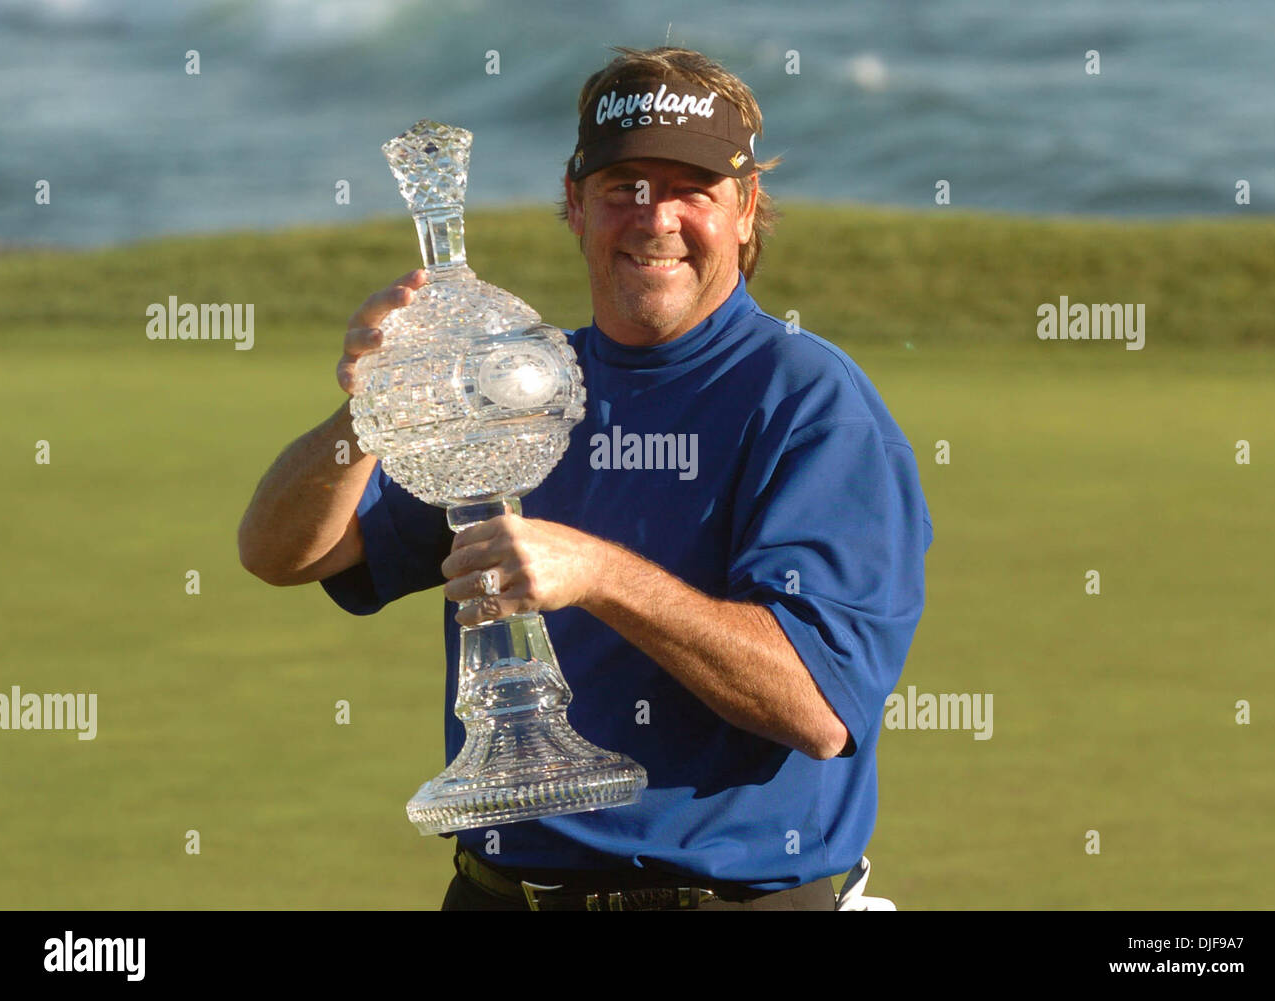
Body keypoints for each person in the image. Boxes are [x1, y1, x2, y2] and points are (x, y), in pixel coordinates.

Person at [238, 45, 933, 911]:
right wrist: (373, 410)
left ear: (747, 209)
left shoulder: (808, 400)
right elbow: (281, 550)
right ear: (574, 203)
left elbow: (818, 706)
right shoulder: (520, 387)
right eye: (623, 187)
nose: (655, 218)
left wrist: (598, 574)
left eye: (692, 188)